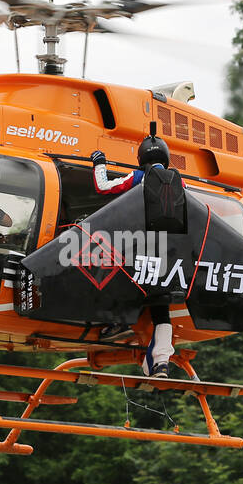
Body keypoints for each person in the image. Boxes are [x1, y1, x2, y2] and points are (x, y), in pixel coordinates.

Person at [90, 131, 182, 378]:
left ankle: (117, 323)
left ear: (141, 157)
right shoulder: (179, 182)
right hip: (170, 254)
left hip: (139, 247)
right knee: (161, 309)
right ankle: (161, 362)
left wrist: (99, 162)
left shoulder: (140, 176)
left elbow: (104, 187)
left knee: (116, 278)